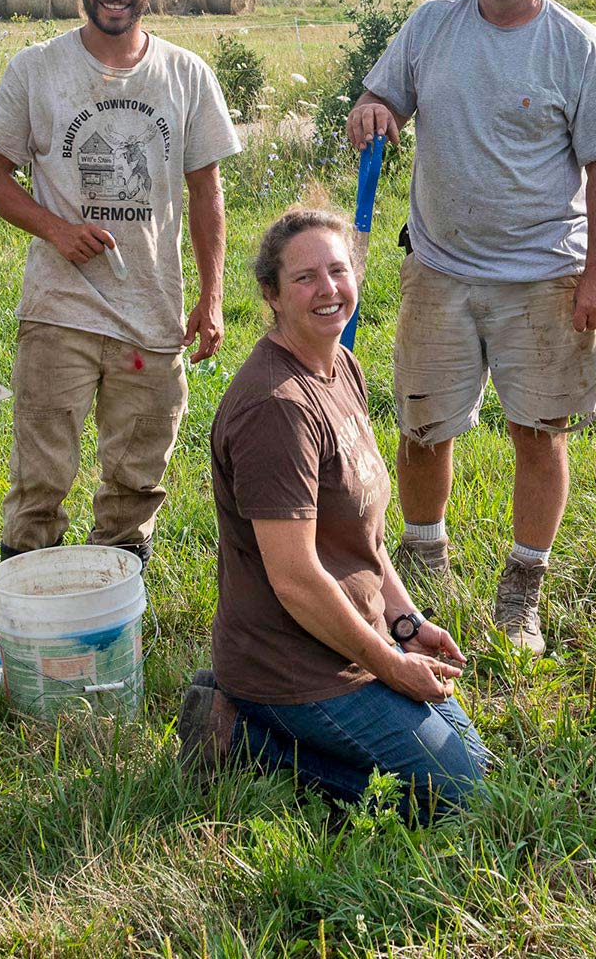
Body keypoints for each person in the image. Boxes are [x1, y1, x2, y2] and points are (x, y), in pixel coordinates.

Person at [344, 0, 596, 654]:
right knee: (422, 426)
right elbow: (379, 101)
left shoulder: (576, 44)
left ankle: (522, 589)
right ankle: (426, 559)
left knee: (540, 431)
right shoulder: (431, 26)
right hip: (439, 266)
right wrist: (373, 111)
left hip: (546, 274)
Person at [185, 208, 491, 815]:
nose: (327, 289)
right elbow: (296, 580)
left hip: (354, 636)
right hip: (290, 664)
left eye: (338, 270)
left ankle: (269, 732)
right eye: (304, 278)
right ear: (270, 294)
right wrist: (392, 668)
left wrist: (406, 624)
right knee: (455, 795)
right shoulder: (277, 409)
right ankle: (243, 736)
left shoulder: (339, 366)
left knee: (474, 763)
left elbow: (366, 535)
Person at [0, 0, 240, 565]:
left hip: (151, 315)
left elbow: (206, 192)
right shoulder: (37, 70)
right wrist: (56, 229)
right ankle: (31, 629)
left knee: (134, 487)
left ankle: (112, 621)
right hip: (58, 312)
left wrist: (211, 297)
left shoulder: (186, 75)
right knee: (40, 484)